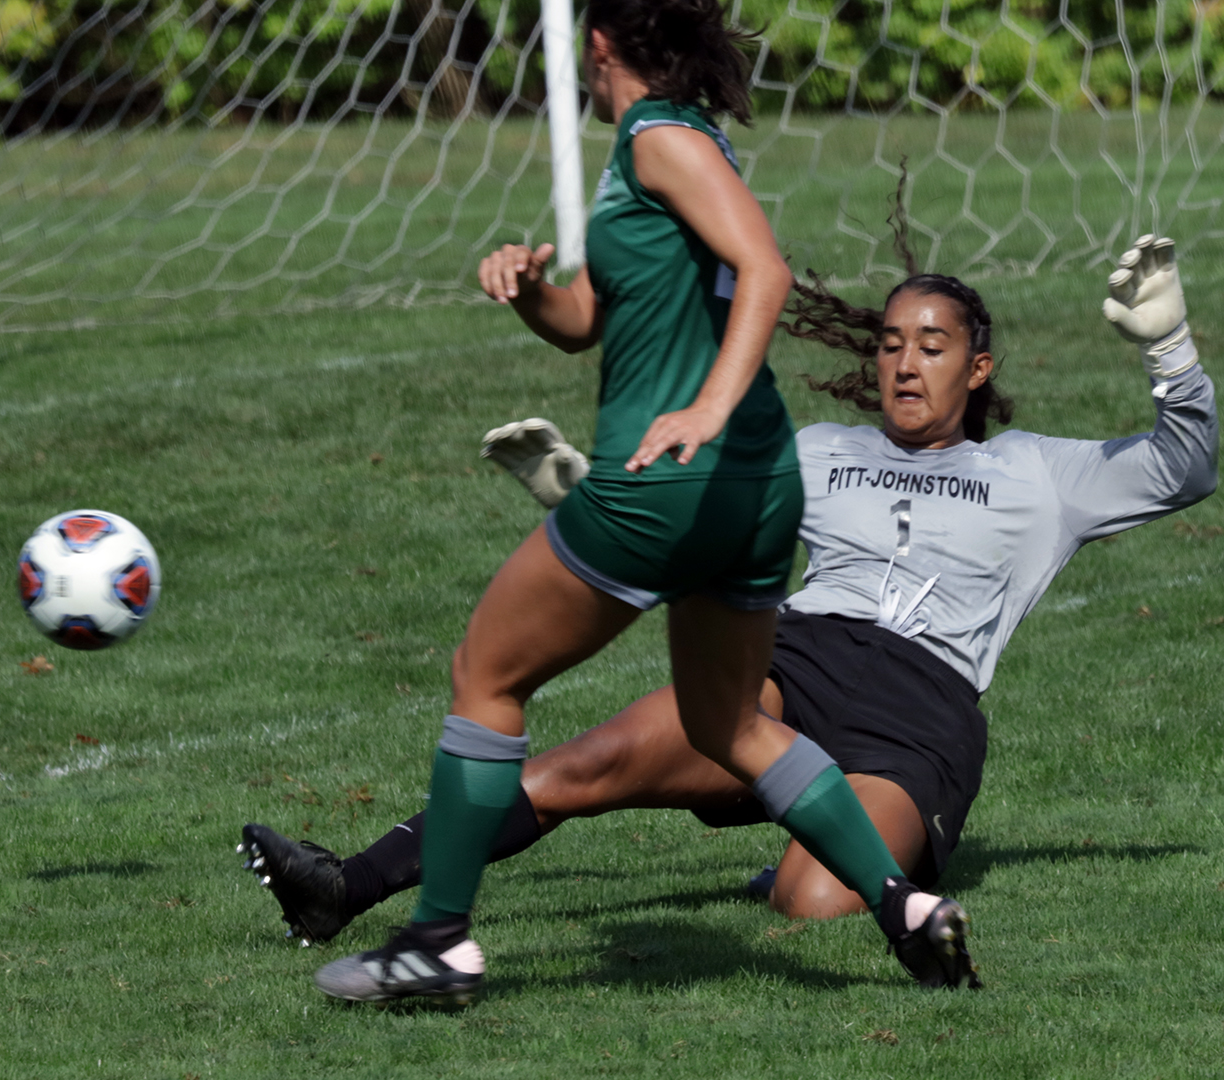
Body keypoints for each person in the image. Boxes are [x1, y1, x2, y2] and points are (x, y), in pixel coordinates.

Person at [245, 231, 1217, 972]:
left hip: (920, 718)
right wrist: (588, 500)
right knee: (585, 764)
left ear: (979, 367)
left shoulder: (1038, 473)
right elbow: (702, 535)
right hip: (786, 671)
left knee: (809, 900)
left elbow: (1186, 466)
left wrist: (1167, 339)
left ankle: (845, 840)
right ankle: (342, 886)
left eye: (932, 344)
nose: (906, 363)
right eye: (890, 344)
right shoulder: (818, 453)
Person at [296, 0, 975, 1005]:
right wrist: (528, 283)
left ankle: (438, 940)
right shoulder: (677, 145)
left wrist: (705, 404)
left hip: (669, 478)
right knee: (728, 727)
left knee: (487, 670)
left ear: (599, 46)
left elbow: (765, 269)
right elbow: (588, 325)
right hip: (752, 490)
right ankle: (903, 907)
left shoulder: (656, 138)